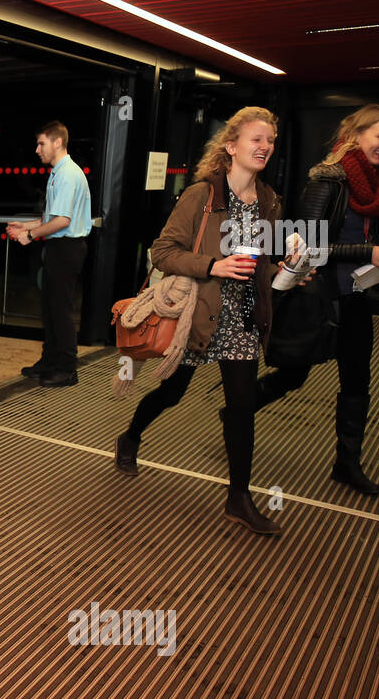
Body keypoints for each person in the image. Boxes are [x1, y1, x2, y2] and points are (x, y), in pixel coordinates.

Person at [113, 107, 286, 536]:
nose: (265, 146)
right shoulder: (201, 196)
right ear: (231, 146)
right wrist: (213, 265)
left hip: (241, 320)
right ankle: (131, 436)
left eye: (270, 140)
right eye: (256, 139)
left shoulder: (269, 201)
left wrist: (291, 269)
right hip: (197, 316)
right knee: (171, 394)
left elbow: (265, 264)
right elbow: (163, 252)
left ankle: (238, 498)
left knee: (243, 408)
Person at [250, 104, 379, 496]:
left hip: (354, 297)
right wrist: (365, 253)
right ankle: (239, 407)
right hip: (317, 298)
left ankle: (346, 464)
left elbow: (376, 240)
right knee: (293, 375)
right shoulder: (327, 183)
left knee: (357, 382)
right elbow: (307, 246)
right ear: (356, 134)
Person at [8, 121, 92, 386]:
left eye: (41, 143)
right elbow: (50, 217)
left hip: (66, 248)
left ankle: (67, 369)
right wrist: (27, 225)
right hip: (58, 247)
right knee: (50, 308)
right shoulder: (58, 172)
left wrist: (30, 235)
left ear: (57, 142)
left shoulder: (67, 174)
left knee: (61, 310)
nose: (37, 149)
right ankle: (50, 361)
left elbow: (63, 221)